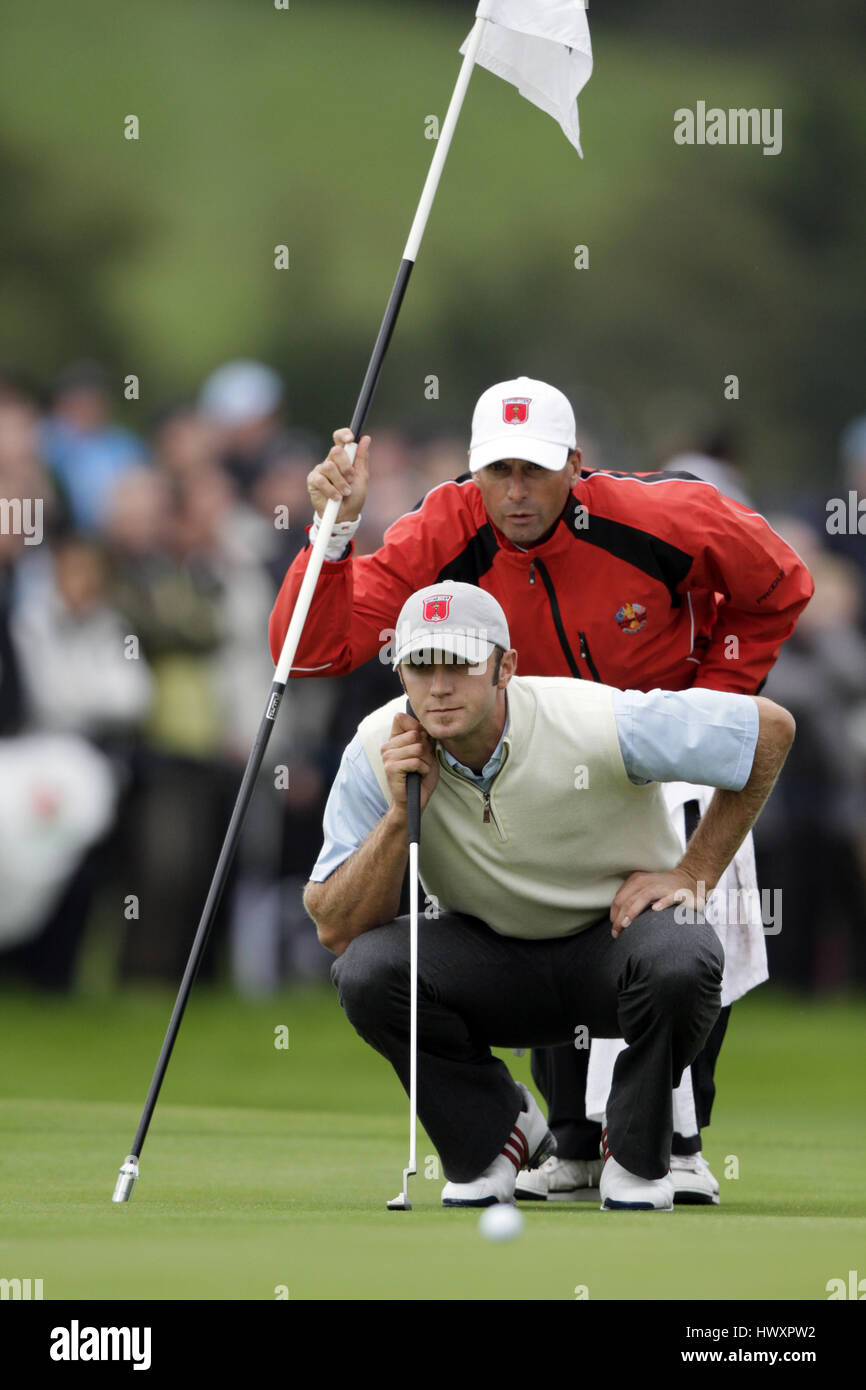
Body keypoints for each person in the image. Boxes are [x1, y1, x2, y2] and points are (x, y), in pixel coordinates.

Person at [269, 376, 814, 1201]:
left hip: (647, 736)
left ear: (573, 465)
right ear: (472, 471)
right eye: (498, 472)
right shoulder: (440, 531)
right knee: (543, 901)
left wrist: (714, 697)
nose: (515, 493)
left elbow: (779, 583)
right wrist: (333, 532)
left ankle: (678, 1140)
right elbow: (310, 651)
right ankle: (572, 1142)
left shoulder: (662, 515)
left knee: (690, 929)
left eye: (534, 470)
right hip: (522, 745)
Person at [302, 583, 796, 1209]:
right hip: (490, 963)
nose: (439, 685)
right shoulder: (379, 745)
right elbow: (339, 929)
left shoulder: (595, 718)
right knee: (368, 970)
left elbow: (770, 731)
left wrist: (693, 873)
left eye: (460, 662)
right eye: (421, 664)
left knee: (685, 952)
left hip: (617, 950)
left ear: (506, 667)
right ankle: (495, 1134)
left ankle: (638, 1153)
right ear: (399, 669)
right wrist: (401, 819)